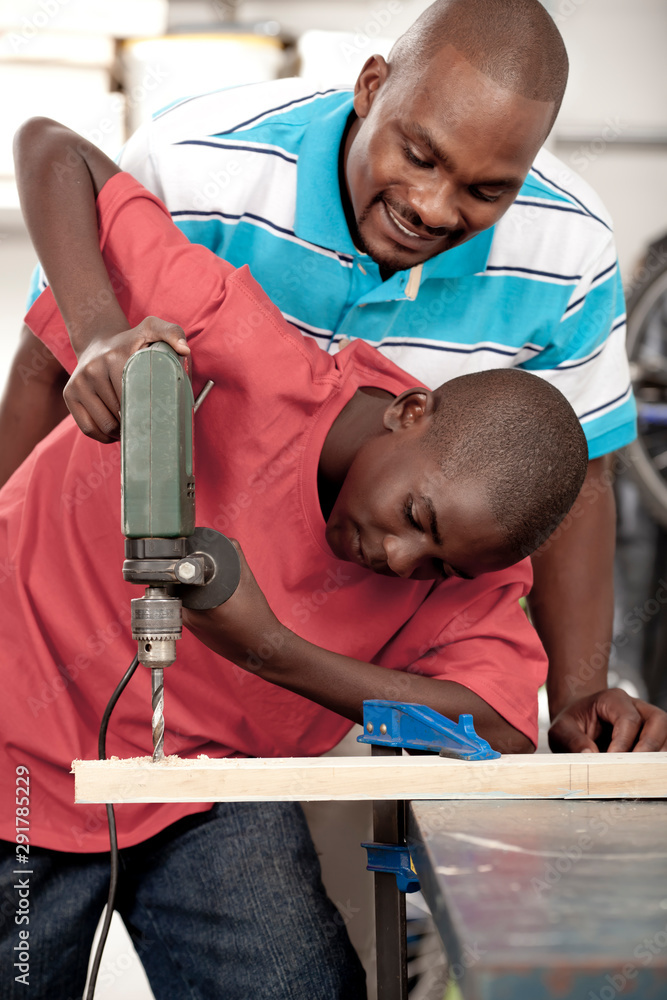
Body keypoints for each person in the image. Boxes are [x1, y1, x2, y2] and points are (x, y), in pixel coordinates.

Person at [0, 117, 589, 999]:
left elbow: (494, 731)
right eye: (412, 514)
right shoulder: (231, 343)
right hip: (10, 761)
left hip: (205, 793)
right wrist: (94, 331)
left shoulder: (470, 564)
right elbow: (53, 149)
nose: (399, 559)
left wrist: (275, 652)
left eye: (435, 565)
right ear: (408, 409)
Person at [1, 5, 665, 750]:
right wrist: (96, 339)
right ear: (370, 86)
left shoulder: (568, 249)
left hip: (288, 684)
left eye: (486, 192)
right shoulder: (201, 161)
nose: (432, 207)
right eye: (418, 155)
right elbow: (50, 355)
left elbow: (575, 480)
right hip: (84, 618)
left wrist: (575, 697)